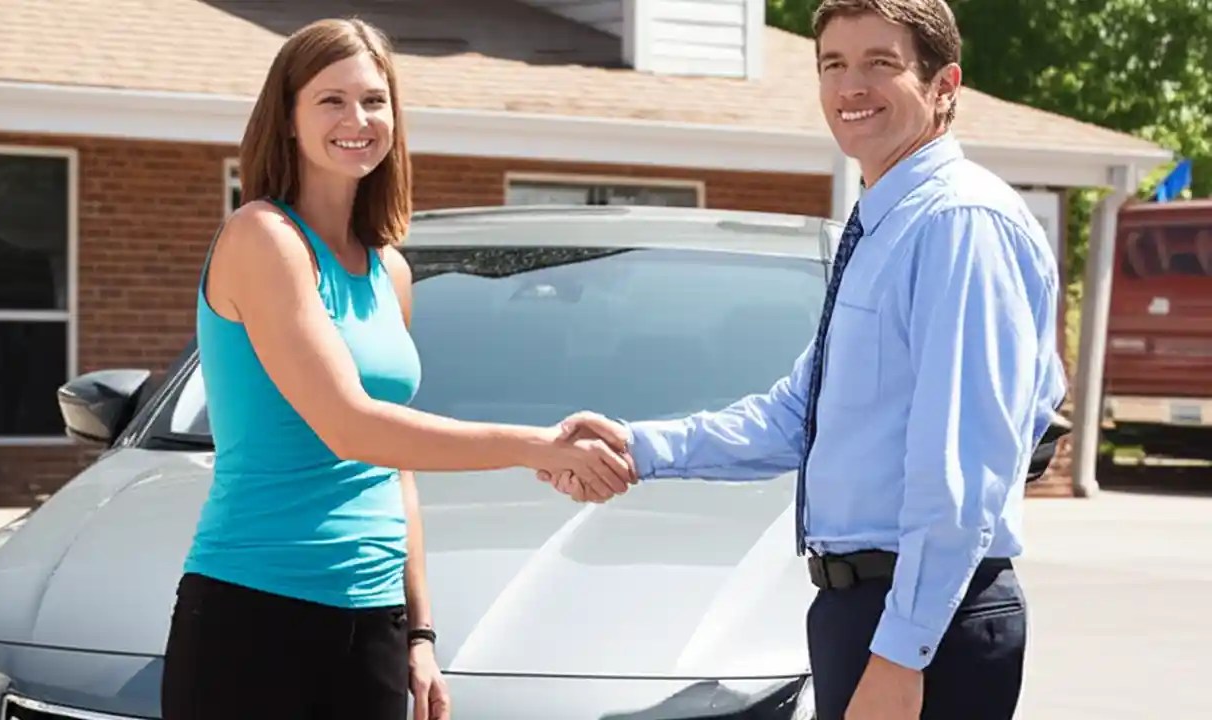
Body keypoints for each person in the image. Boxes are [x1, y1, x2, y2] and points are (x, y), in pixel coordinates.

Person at [542, 1, 1066, 718]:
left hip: (922, 623)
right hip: (866, 611)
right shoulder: (887, 220)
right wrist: (634, 446)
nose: (851, 87)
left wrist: (901, 654)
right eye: (833, 65)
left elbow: (963, 468)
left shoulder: (958, 224)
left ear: (945, 85)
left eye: (880, 64)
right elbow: (797, 416)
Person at [159, 17, 634, 720]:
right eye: (331, 100)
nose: (358, 119)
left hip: (373, 625)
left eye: (375, 100)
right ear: (287, 119)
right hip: (255, 616)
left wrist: (419, 634)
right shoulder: (262, 237)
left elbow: (393, 467)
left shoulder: (389, 270)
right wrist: (538, 446)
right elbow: (352, 428)